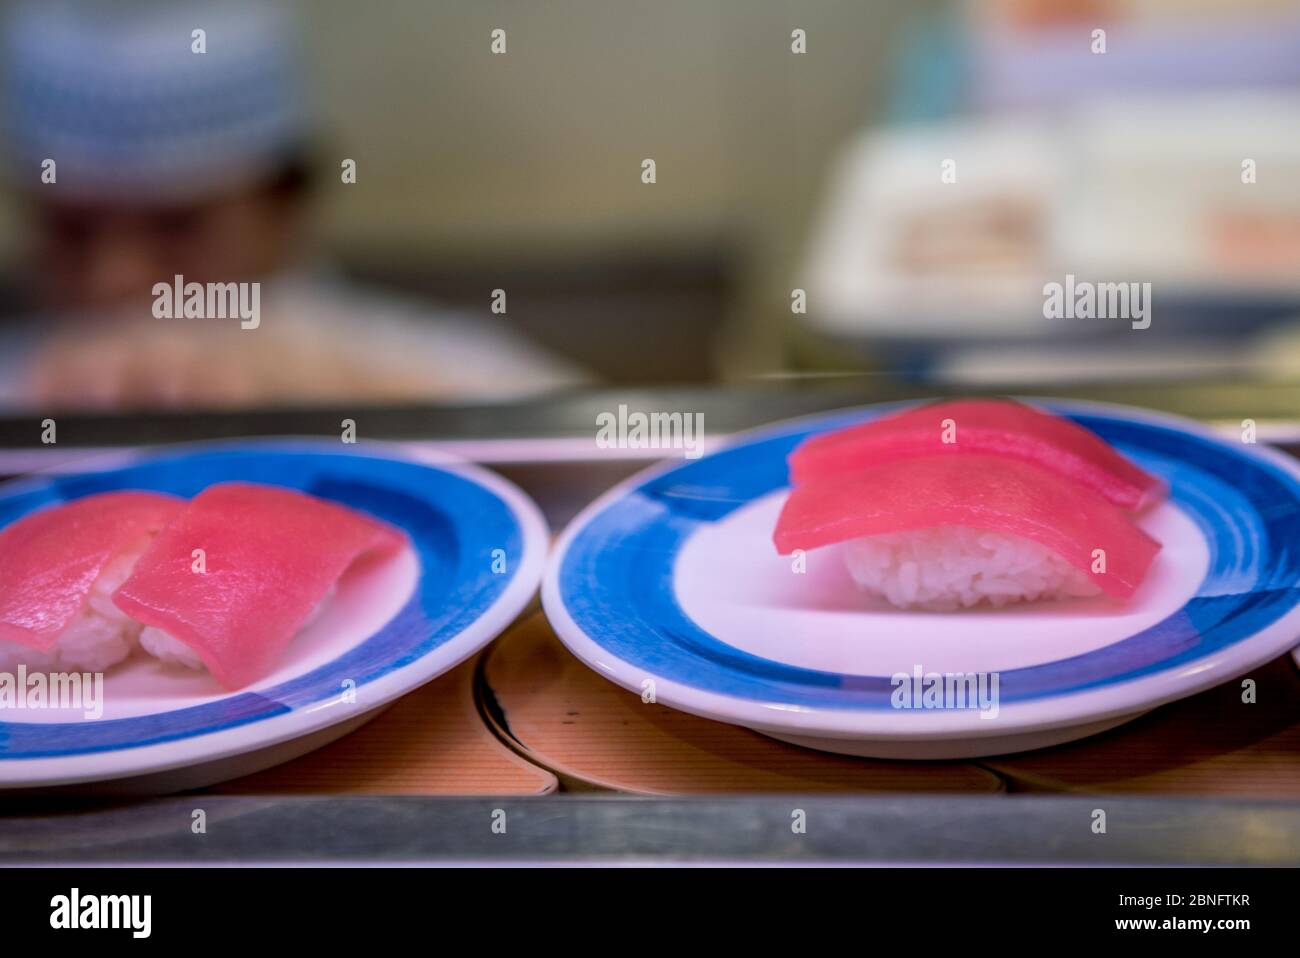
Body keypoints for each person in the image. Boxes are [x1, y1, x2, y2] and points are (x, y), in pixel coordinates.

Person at [0, 0, 584, 410]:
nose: (115, 277)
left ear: (284, 202)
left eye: (175, 225)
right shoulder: (19, 386)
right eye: (71, 230)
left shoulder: (422, 370)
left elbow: (619, 470)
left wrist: (361, 399)